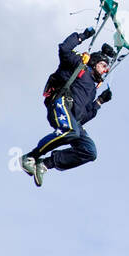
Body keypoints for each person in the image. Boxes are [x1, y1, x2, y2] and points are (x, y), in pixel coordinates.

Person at [21, 28, 114, 186]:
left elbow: (82, 118)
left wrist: (98, 103)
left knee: (89, 151)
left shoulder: (91, 90)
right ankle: (31, 157)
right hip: (59, 103)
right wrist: (83, 36)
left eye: (107, 68)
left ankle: (45, 164)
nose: (105, 70)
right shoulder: (78, 65)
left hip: (72, 119)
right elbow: (64, 49)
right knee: (72, 130)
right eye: (103, 65)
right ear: (95, 61)